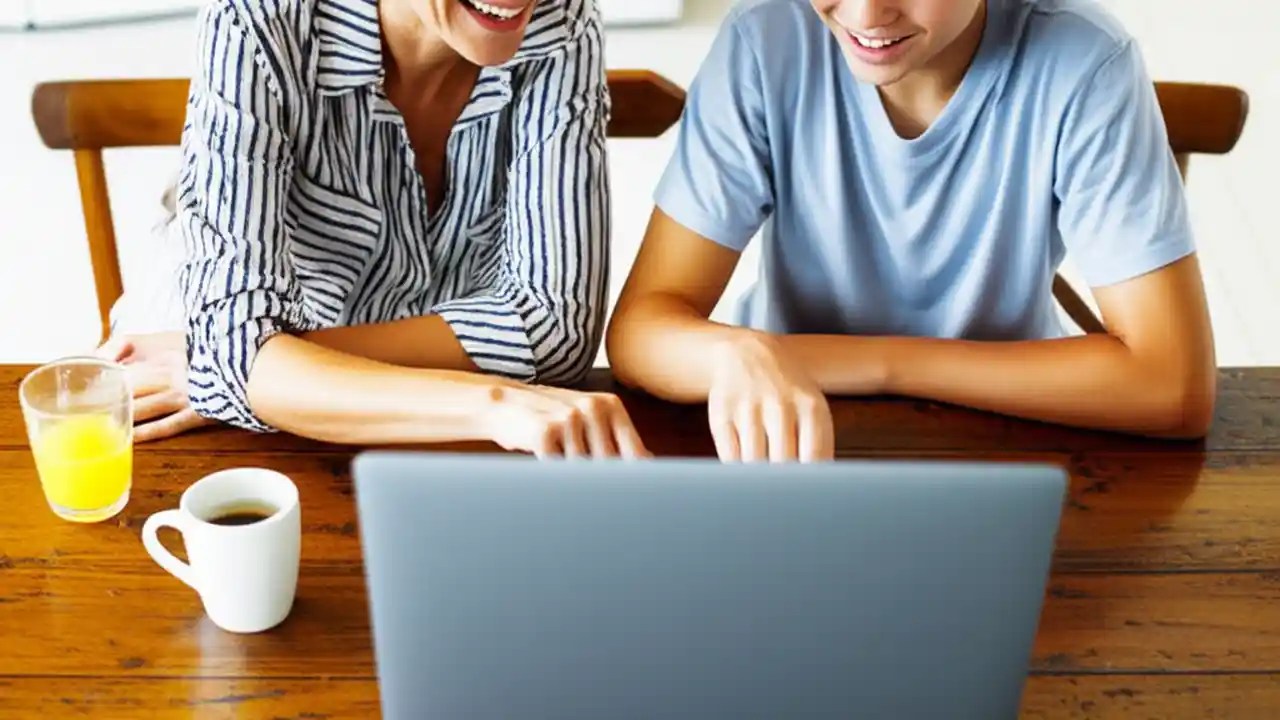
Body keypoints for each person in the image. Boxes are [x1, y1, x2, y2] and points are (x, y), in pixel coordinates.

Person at [606, 0, 1217, 463]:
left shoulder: (1085, 61)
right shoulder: (765, 41)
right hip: (787, 436)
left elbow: (1172, 385)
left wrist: (884, 364)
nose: (866, 14)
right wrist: (738, 353)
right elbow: (640, 332)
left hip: (1013, 435)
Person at [101, 0, 647, 458]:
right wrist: (494, 404)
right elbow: (233, 351)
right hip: (175, 365)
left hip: (306, 381)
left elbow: (555, 330)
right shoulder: (256, 18)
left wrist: (270, 368)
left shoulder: (560, 21)